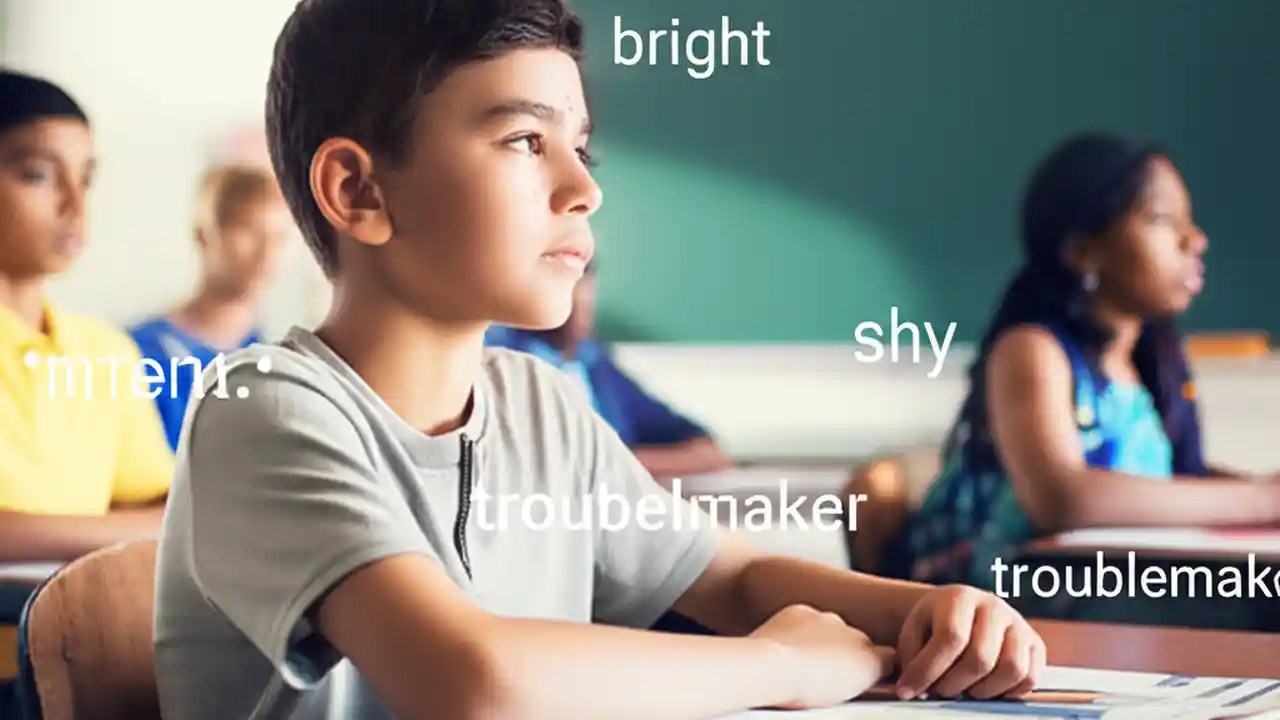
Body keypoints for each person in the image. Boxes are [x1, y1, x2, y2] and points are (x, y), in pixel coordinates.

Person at [152, 2, 1043, 718]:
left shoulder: (537, 404)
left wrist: (927, 611)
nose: (585, 188)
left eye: (580, 148)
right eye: (523, 141)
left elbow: (730, 577)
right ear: (359, 189)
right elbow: (471, 680)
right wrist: (779, 665)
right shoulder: (265, 408)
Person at [893, 133, 1280, 591]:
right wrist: (1261, 499)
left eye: (1190, 220)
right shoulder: (1033, 349)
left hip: (1107, 593)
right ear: (1082, 250)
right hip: (1002, 608)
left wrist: (1259, 490)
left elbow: (1166, 483)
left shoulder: (1145, 365)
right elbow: (1062, 499)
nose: (1195, 239)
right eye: (1162, 219)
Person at [0, 70, 173, 565]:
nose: (75, 205)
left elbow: (167, 514)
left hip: (79, 637)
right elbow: (160, 528)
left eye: (86, 178)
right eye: (38, 174)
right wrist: (116, 533)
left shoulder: (105, 351)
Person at [486, 261, 733, 479]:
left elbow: (701, 446)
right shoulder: (502, 360)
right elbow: (541, 464)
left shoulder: (594, 363)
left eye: (586, 289)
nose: (582, 305)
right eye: (573, 294)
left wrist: (619, 466)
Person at [128, 164, 290, 449]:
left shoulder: (280, 362)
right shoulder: (138, 353)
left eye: (278, 238)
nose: (266, 253)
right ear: (204, 235)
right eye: (248, 231)